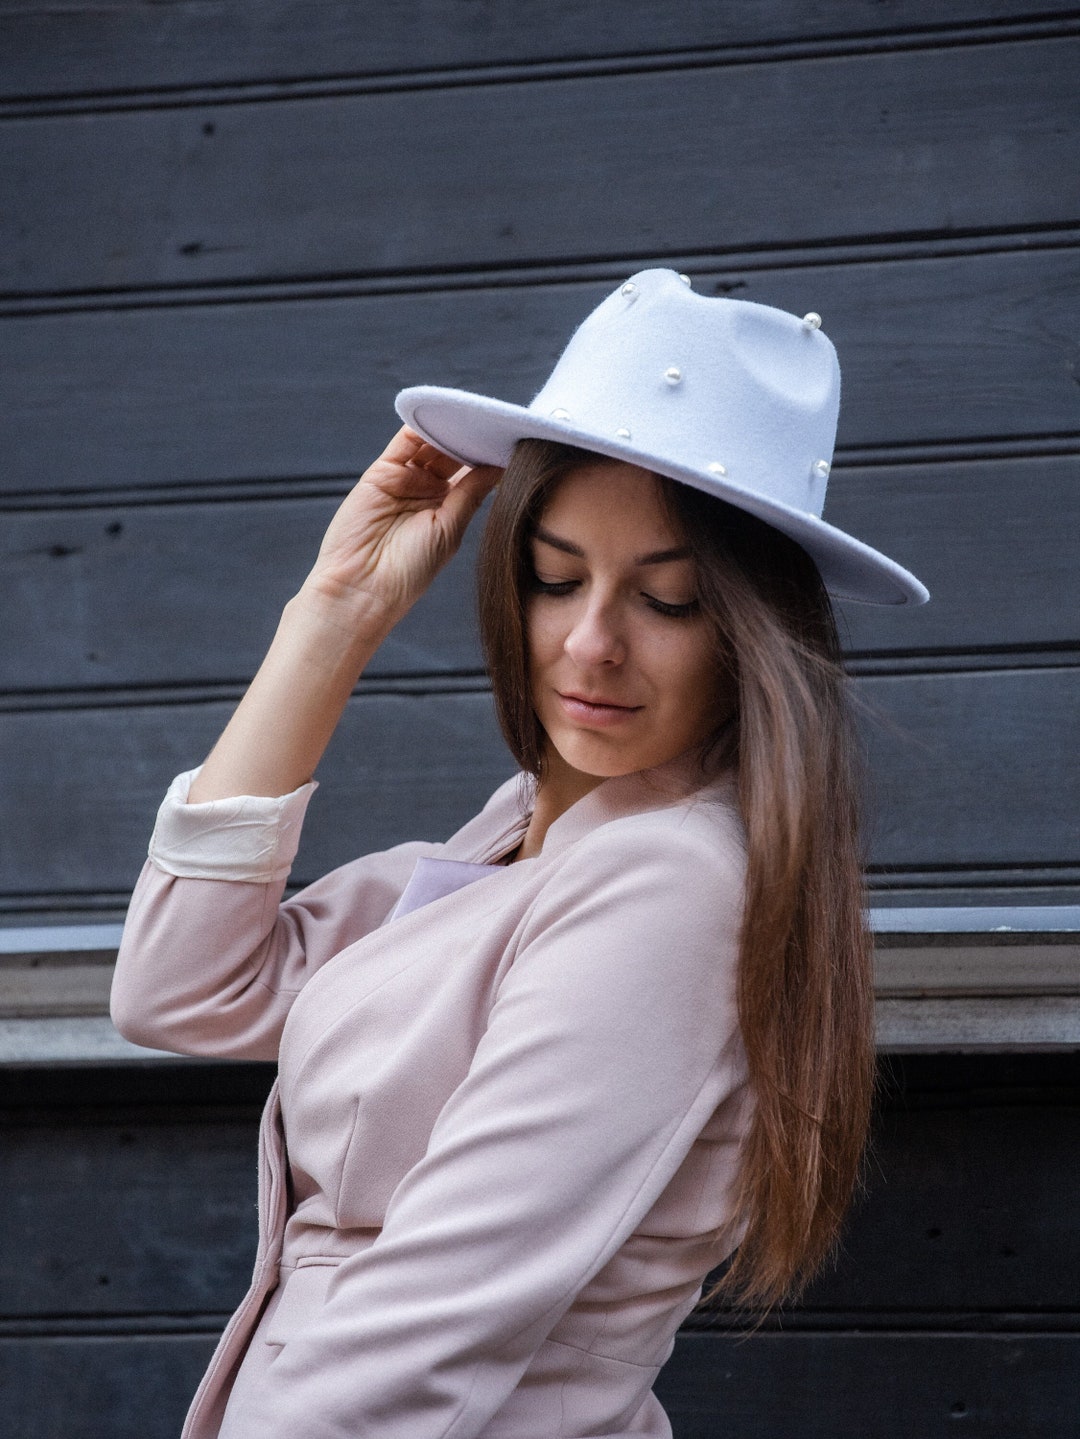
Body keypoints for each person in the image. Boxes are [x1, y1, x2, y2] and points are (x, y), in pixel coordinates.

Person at [111, 269, 927, 1439]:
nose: (591, 644)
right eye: (554, 577)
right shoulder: (501, 850)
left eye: (672, 600)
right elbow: (180, 985)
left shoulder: (671, 882)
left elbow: (421, 1334)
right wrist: (334, 612)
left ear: (754, 634)